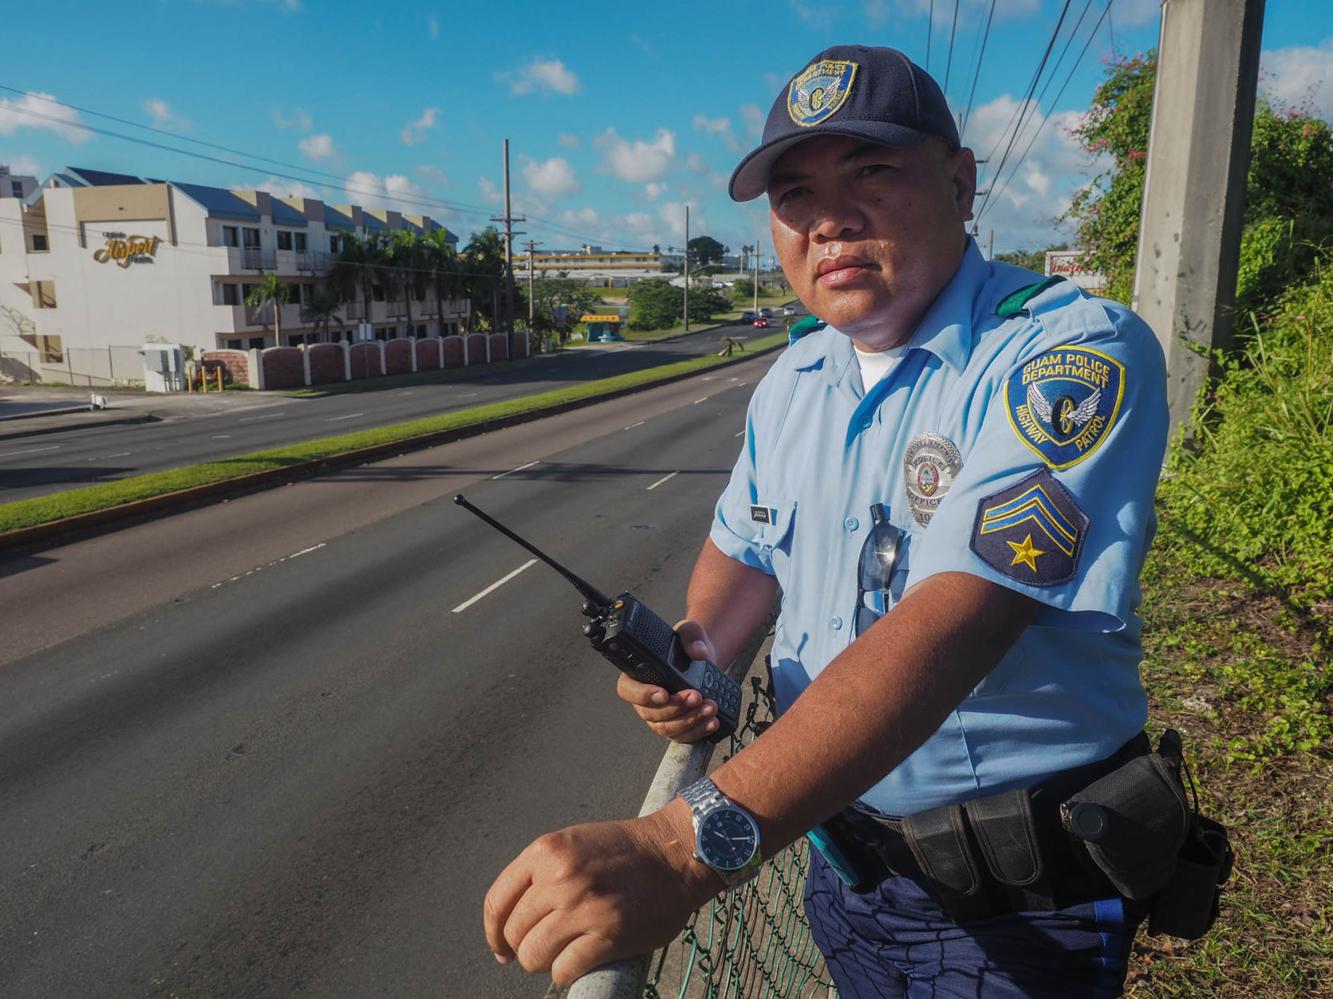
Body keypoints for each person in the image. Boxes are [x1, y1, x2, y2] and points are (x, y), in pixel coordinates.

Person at [484, 44, 1171, 996]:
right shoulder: (796, 378)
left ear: (960, 181)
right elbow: (745, 548)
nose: (829, 219)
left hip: (1015, 904)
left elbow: (961, 615)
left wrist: (682, 847)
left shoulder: (1067, 353)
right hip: (840, 870)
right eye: (794, 194)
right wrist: (699, 652)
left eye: (872, 171)